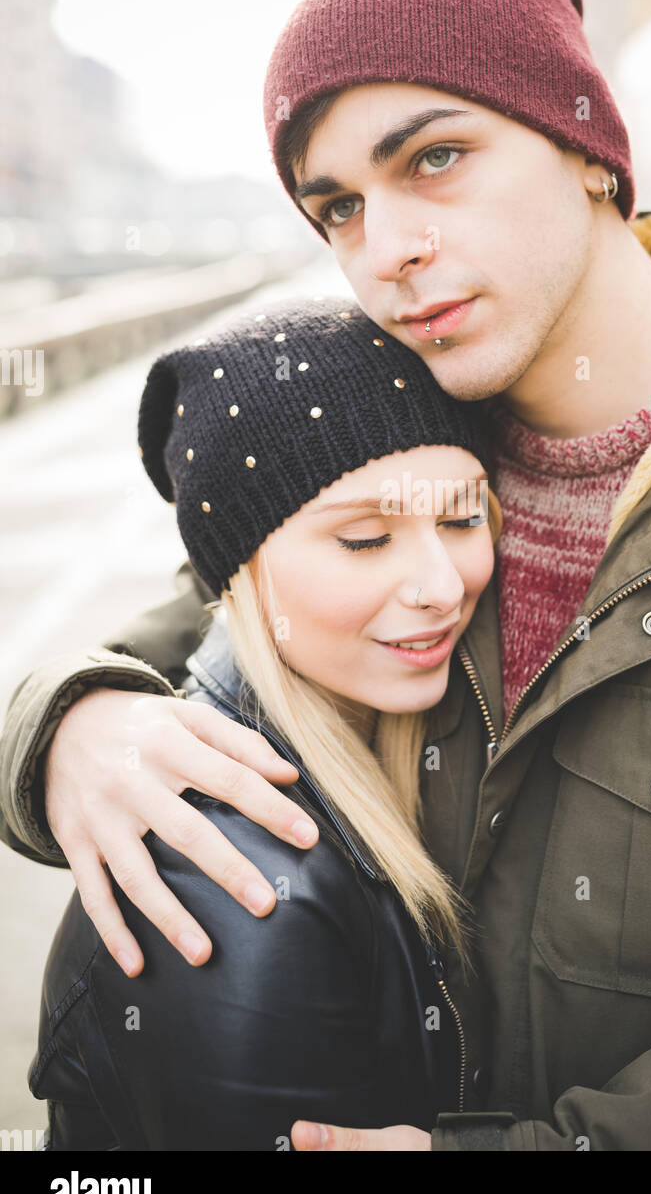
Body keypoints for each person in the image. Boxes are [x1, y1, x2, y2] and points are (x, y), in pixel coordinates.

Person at [4, 0, 651, 1151]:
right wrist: (72, 722)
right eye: (337, 205)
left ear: (587, 149)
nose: (385, 248)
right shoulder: (412, 429)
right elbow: (219, 594)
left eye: (436, 157)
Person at [27, 298, 500, 1149]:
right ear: (237, 576)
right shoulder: (230, 885)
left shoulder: (380, 730)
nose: (441, 582)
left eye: (462, 518)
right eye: (364, 538)